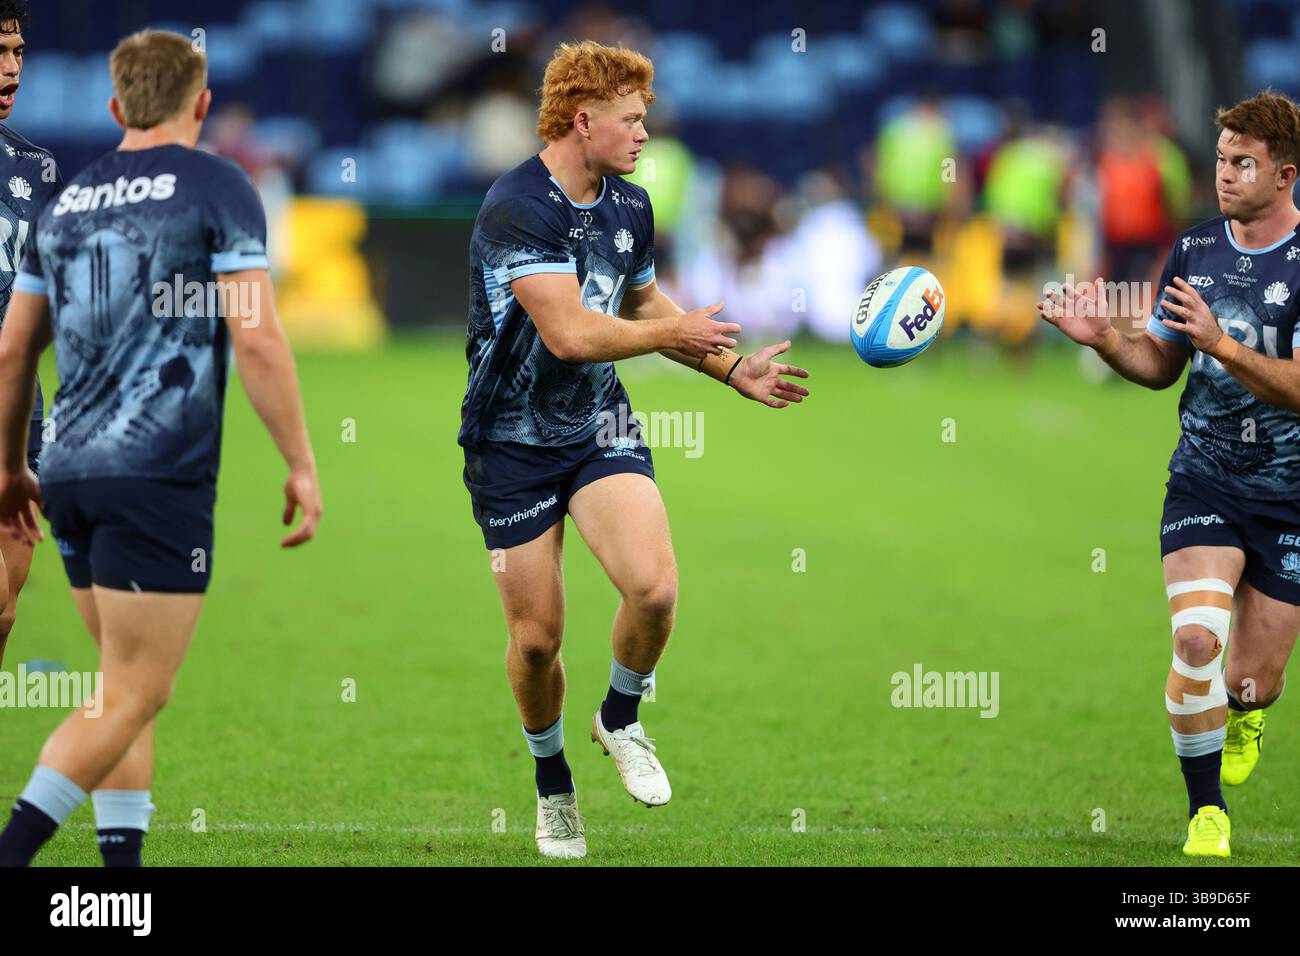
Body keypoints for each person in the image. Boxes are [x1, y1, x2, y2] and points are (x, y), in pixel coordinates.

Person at [459, 40, 809, 859]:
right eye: (632, 118)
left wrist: (731, 369)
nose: (646, 133)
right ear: (584, 121)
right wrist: (672, 335)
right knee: (537, 640)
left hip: (597, 425)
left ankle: (620, 717)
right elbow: (571, 334)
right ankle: (553, 784)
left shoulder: (631, 205)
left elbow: (644, 301)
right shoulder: (518, 206)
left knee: (654, 590)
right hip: (509, 443)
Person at [0, 29, 322, 867]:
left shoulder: (68, 199)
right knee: (136, 691)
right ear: (202, 103)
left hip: (66, 469)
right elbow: (257, 338)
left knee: (121, 687)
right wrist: (300, 462)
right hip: (154, 471)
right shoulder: (218, 185)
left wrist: (10, 468)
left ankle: (122, 884)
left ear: (116, 107)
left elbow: (13, 350)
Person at [1038, 90, 1300, 858]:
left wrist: (1222, 345)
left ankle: (1248, 711)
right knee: (1193, 641)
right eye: (1220, 159)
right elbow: (1159, 365)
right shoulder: (1194, 250)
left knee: (1252, 681)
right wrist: (1105, 340)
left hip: (1289, 496)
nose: (1224, 175)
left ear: (1285, 175)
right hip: (1204, 478)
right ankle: (1206, 811)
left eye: (1242, 163)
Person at [0, 0, 64, 669]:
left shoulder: (32, 166)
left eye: (16, 52)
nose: (11, 68)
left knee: (5, 610)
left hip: (20, 416)